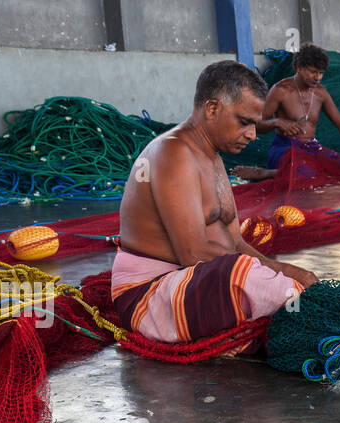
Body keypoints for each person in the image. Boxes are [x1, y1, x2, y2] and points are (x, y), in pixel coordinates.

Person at [114, 61, 316, 346]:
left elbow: (235, 242)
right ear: (211, 109)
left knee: (280, 281)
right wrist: (278, 274)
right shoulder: (173, 152)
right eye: (244, 122)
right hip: (149, 295)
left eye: (255, 125)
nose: (252, 135)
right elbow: (192, 252)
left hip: (194, 280)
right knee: (246, 277)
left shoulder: (214, 157)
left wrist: (281, 270)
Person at [259, 43, 340, 175]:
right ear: (299, 68)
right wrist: (276, 122)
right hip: (285, 148)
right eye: (313, 72)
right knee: (304, 172)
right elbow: (257, 125)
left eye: (321, 73)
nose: (318, 78)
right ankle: (266, 174)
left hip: (312, 148)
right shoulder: (280, 90)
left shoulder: (321, 93)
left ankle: (286, 172)